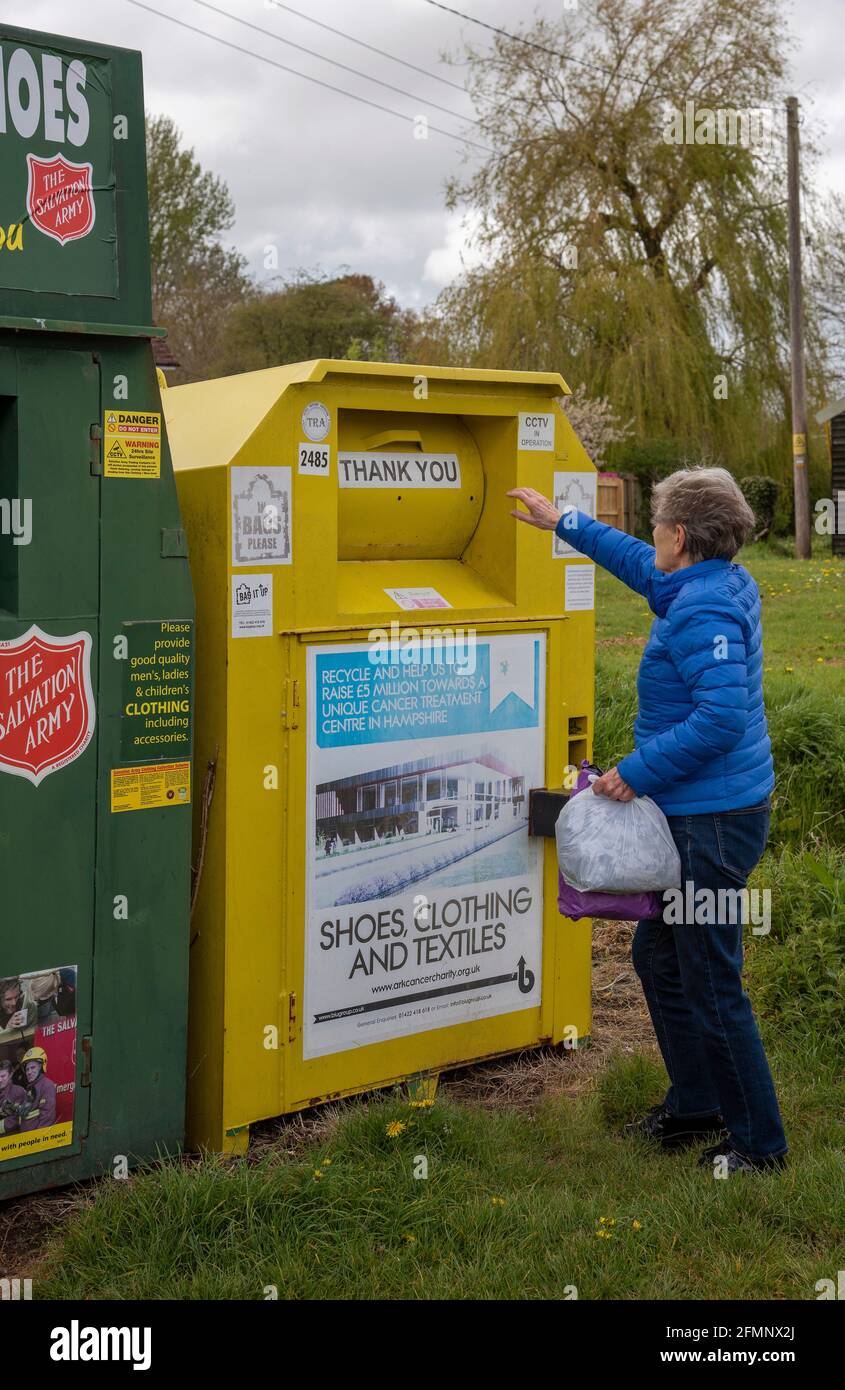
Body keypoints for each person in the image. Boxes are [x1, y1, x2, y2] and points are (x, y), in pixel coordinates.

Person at [509, 468, 787, 1174]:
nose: (650, 535)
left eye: (657, 523)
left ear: (680, 536)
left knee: (708, 975)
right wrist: (561, 522)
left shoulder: (702, 610)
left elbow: (719, 719)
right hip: (699, 811)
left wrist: (633, 772)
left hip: (712, 821)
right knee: (659, 957)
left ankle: (759, 1146)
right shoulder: (705, 582)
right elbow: (639, 567)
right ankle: (696, 1106)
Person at [19, 1046, 57, 1132]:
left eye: (33, 1068)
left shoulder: (47, 1085)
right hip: (27, 1140)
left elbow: (47, 1118)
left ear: (41, 1067)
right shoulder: (30, 1089)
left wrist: (38, 1139)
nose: (29, 1072)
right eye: (27, 1069)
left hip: (37, 1140)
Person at [0, 1057, 27, 1135]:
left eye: (3, 1076)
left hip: (13, 1139)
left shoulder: (18, 1092)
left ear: (10, 1075)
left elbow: (16, 1119)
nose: (0, 1080)